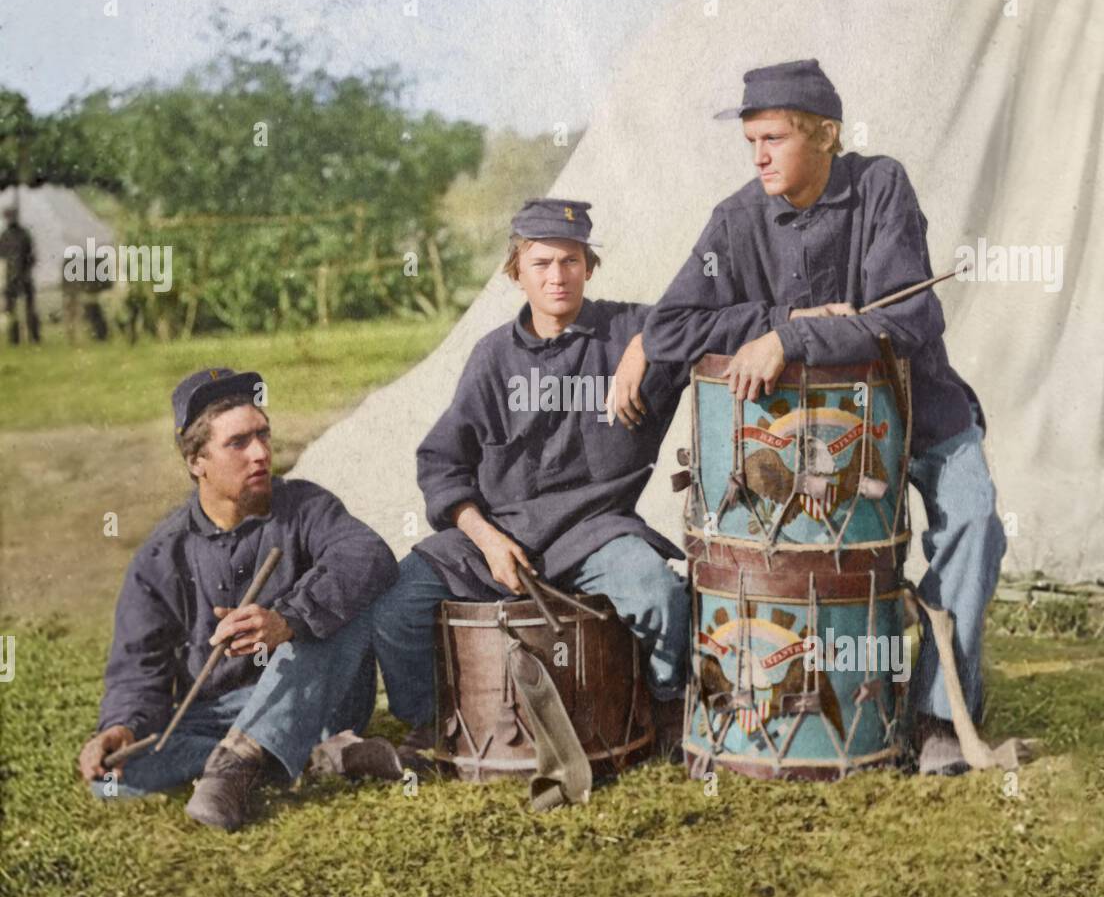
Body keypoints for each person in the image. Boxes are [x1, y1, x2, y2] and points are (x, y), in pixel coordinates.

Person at [629, 58, 1006, 776]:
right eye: (752, 143)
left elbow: (910, 314)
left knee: (978, 522)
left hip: (921, 412)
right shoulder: (736, 219)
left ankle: (938, 716)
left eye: (774, 138)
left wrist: (794, 341)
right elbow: (671, 325)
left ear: (827, 135)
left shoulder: (880, 185)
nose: (761, 157)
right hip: (812, 449)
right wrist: (781, 319)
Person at [367, 198, 693, 754]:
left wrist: (645, 344)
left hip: (596, 533)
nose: (557, 276)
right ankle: (435, 719)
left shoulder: (626, 329)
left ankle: (665, 712)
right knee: (396, 607)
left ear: (589, 267)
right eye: (541, 263)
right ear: (515, 271)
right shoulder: (493, 356)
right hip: (501, 534)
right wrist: (487, 538)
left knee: (658, 594)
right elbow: (443, 461)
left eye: (570, 261)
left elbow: (706, 310)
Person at [78, 367, 401, 830]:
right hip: (220, 714)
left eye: (263, 436)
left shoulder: (306, 507)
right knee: (114, 775)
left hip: (319, 700)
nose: (261, 454)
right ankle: (305, 759)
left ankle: (239, 765)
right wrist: (121, 726)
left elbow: (369, 556)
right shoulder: (159, 556)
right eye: (239, 443)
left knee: (341, 613)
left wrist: (288, 619)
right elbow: (137, 669)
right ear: (196, 461)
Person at [0, 202, 40, 344]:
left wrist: (26, 271)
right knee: (12, 310)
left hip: (23, 276)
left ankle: (34, 337)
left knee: (30, 308)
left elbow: (32, 256)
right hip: (12, 277)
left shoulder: (23, 234)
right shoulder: (5, 236)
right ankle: (14, 338)